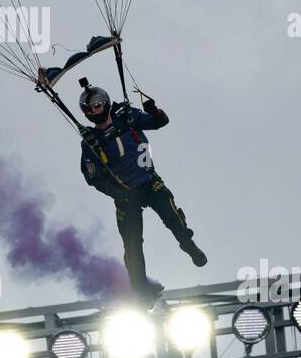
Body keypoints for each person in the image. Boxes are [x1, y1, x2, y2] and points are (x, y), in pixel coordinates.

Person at [78, 80, 207, 298]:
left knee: (172, 215)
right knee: (133, 245)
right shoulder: (91, 142)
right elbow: (93, 177)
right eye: (89, 108)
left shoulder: (127, 117)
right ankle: (140, 289)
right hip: (126, 195)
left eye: (97, 104)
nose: (94, 110)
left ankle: (188, 244)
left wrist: (153, 110)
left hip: (149, 182)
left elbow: (160, 122)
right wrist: (118, 193)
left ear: (106, 103)